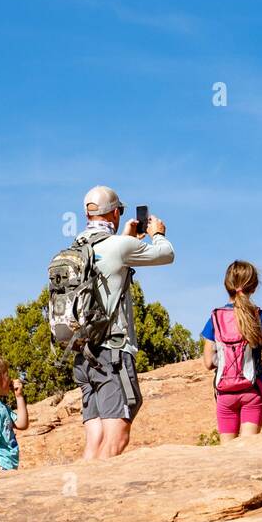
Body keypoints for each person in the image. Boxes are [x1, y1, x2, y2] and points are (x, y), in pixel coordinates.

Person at [74, 185, 175, 459]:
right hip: (113, 353)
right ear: (116, 212)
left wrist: (126, 238)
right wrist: (158, 235)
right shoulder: (120, 246)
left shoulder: (76, 248)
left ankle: (82, 494)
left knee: (94, 440)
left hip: (83, 355)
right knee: (117, 437)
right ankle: (98, 495)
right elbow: (166, 255)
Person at [202, 261, 262, 441]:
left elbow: (208, 363)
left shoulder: (215, 317)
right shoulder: (259, 316)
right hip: (252, 390)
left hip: (225, 393)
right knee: (247, 451)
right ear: (253, 287)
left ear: (227, 285)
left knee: (228, 454)